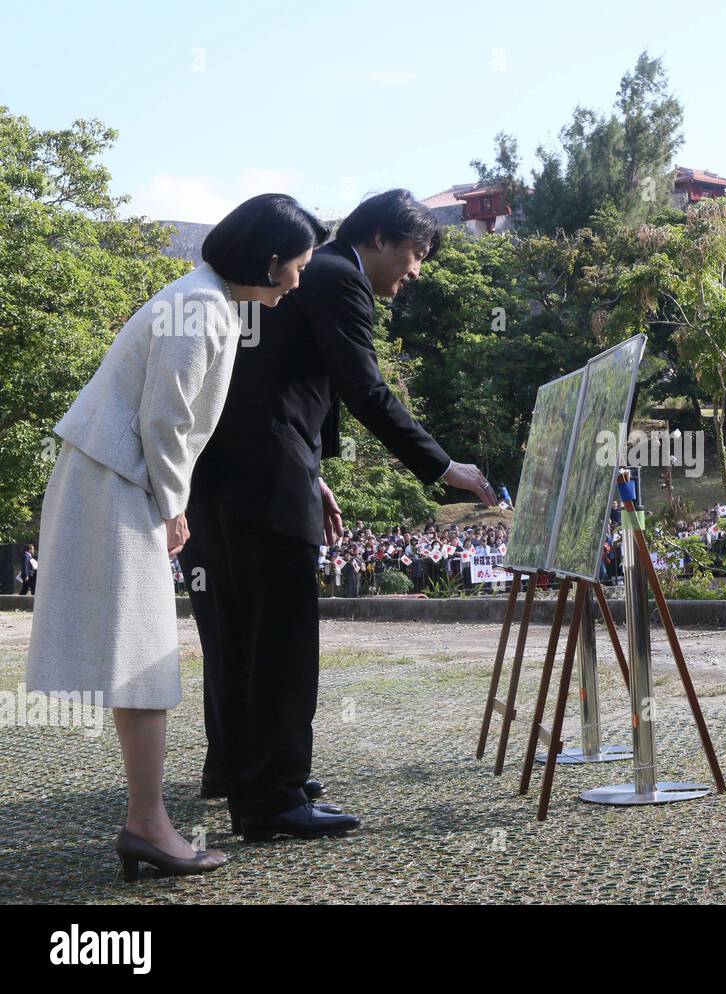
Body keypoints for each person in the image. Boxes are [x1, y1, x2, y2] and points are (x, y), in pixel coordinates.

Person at [25, 193, 328, 879]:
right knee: (145, 655)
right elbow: (165, 420)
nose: (301, 281)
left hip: (111, 473)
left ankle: (147, 822)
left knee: (143, 655)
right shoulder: (203, 309)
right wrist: (174, 504)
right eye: (301, 267)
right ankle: (148, 826)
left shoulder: (205, 301)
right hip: (117, 477)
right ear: (272, 260)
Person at [184, 189, 496, 842]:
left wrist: (314, 471)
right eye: (414, 254)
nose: (415, 272)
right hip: (266, 480)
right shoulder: (336, 279)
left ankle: (242, 766)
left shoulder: (303, 276)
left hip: (224, 475)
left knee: (237, 633)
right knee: (283, 640)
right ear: (380, 239)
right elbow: (364, 389)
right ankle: (272, 798)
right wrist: (444, 468)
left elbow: (280, 380)